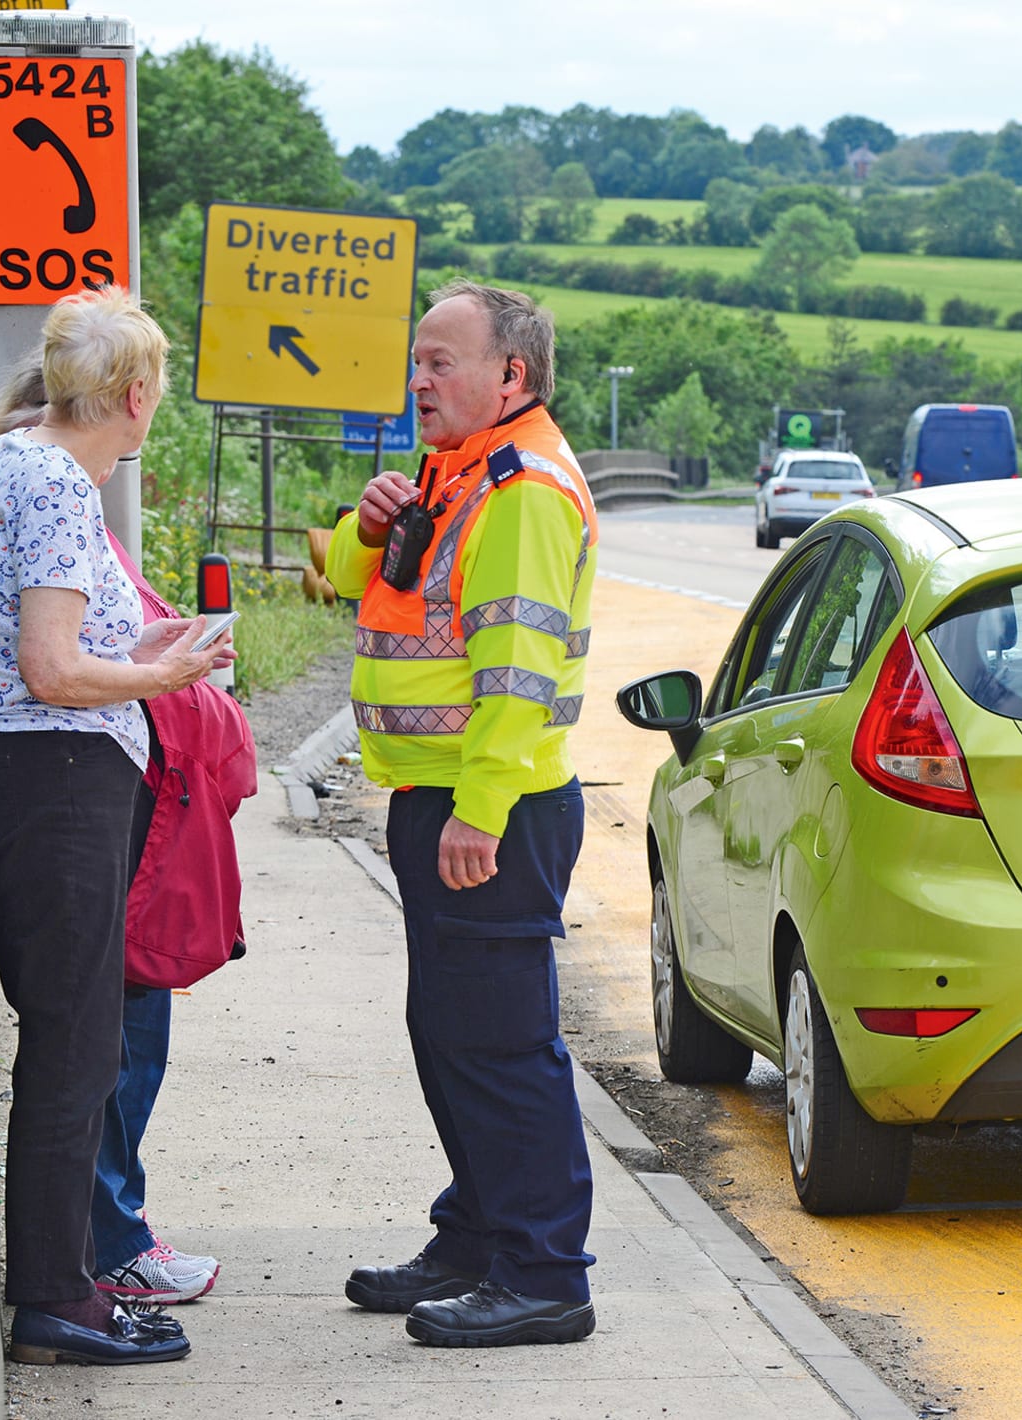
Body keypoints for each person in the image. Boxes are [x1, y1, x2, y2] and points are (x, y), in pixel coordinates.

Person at [0, 287, 230, 1366]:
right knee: (75, 1045)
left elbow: (52, 635)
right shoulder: (63, 486)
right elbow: (53, 668)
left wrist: (147, 644)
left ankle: (61, 1284)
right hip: (58, 778)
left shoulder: (13, 457)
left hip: (32, 771)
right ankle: (60, 1300)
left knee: (71, 1038)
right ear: (135, 392)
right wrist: (162, 671)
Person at [324, 280, 601, 1347]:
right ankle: (477, 1235)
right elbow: (352, 580)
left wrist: (480, 811)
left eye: (443, 361)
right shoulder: (454, 474)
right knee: (449, 1033)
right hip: (437, 795)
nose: (419, 378)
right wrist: (369, 519)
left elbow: (519, 672)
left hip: (494, 810)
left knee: (499, 1043)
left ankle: (543, 1271)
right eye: (416, 358)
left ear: (511, 375)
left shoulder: (523, 488)